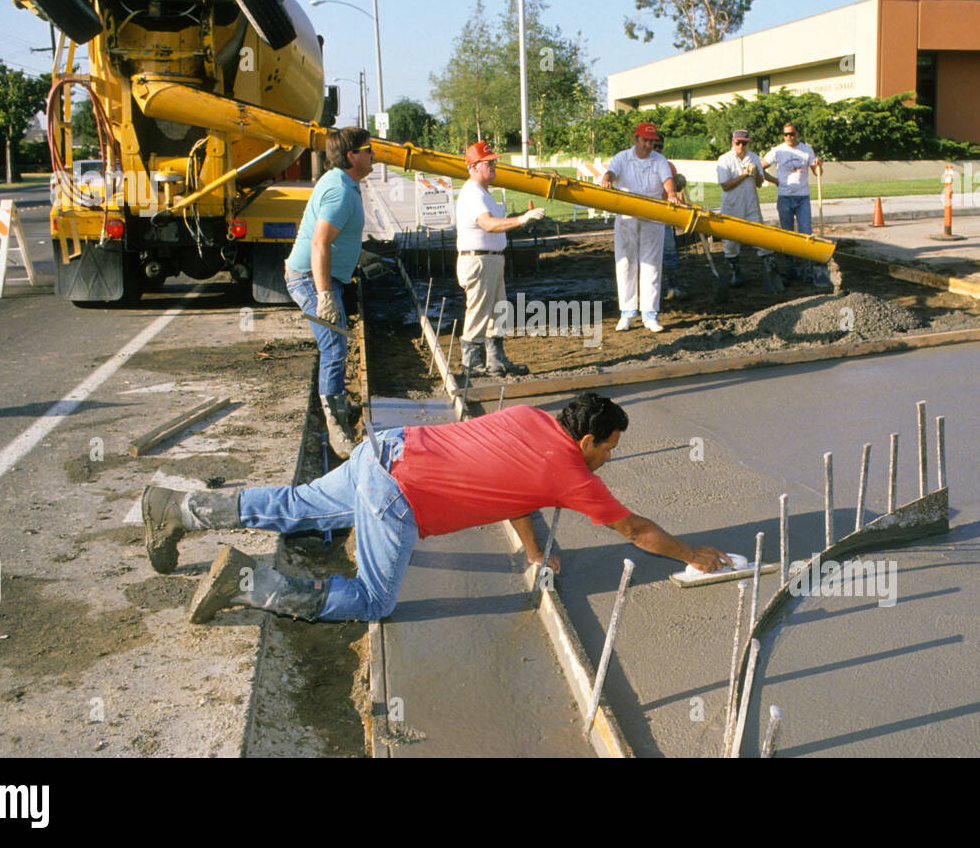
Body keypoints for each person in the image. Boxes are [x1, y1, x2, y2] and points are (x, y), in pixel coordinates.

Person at [139, 392, 731, 624]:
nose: (609, 459)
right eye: (609, 449)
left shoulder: (530, 419)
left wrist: (532, 551)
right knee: (375, 600)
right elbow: (636, 530)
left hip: (385, 451)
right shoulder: (573, 475)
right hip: (398, 496)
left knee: (298, 505)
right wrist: (691, 552)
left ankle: (180, 507)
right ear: (586, 442)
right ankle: (246, 580)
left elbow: (515, 492)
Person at [285, 127, 373, 457]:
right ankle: (334, 428)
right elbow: (320, 243)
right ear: (352, 156)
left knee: (336, 344)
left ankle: (338, 406)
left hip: (322, 275)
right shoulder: (339, 190)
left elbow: (334, 237)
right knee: (335, 346)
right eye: (367, 149)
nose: (372, 155)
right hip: (310, 277)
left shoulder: (343, 184)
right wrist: (323, 295)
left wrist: (359, 255)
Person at [454, 141, 545, 378]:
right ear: (473, 167)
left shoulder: (483, 193)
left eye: (494, 161)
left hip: (490, 259)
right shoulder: (473, 193)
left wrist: (519, 220)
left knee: (497, 312)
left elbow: (493, 224)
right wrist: (521, 220)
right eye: (489, 162)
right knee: (479, 312)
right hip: (479, 261)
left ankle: (496, 360)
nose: (494, 165)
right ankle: (471, 365)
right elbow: (488, 224)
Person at [602, 123, 677, 332]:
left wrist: (671, 194)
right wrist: (607, 180)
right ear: (636, 139)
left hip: (653, 215)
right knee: (625, 262)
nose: (648, 145)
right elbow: (611, 173)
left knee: (651, 264)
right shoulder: (622, 157)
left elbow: (667, 179)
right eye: (644, 140)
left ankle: (650, 314)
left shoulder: (659, 159)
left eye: (651, 141)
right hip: (627, 216)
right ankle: (626, 313)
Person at [761, 122, 831, 286]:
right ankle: (790, 269)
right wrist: (774, 181)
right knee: (788, 234)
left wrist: (819, 166)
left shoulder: (807, 150)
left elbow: (816, 172)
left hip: (803, 198)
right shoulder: (778, 151)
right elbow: (760, 167)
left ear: (797, 134)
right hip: (784, 197)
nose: (789, 137)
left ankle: (808, 269)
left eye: (792, 134)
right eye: (786, 134)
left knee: (806, 232)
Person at [715, 129, 769, 287]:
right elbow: (725, 186)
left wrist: (757, 173)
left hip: (751, 203)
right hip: (731, 206)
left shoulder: (754, 158)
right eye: (738, 143)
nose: (741, 146)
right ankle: (735, 272)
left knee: (761, 238)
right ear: (733, 142)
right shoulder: (724, 159)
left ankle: (769, 271)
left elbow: (759, 184)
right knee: (731, 242)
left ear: (748, 143)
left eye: (744, 143)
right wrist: (744, 174)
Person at [654, 134, 687, 301]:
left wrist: (679, 184)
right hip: (644, 216)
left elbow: (673, 193)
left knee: (669, 252)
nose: (657, 149)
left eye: (660, 146)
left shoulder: (669, 166)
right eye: (654, 146)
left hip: (664, 216)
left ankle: (673, 287)